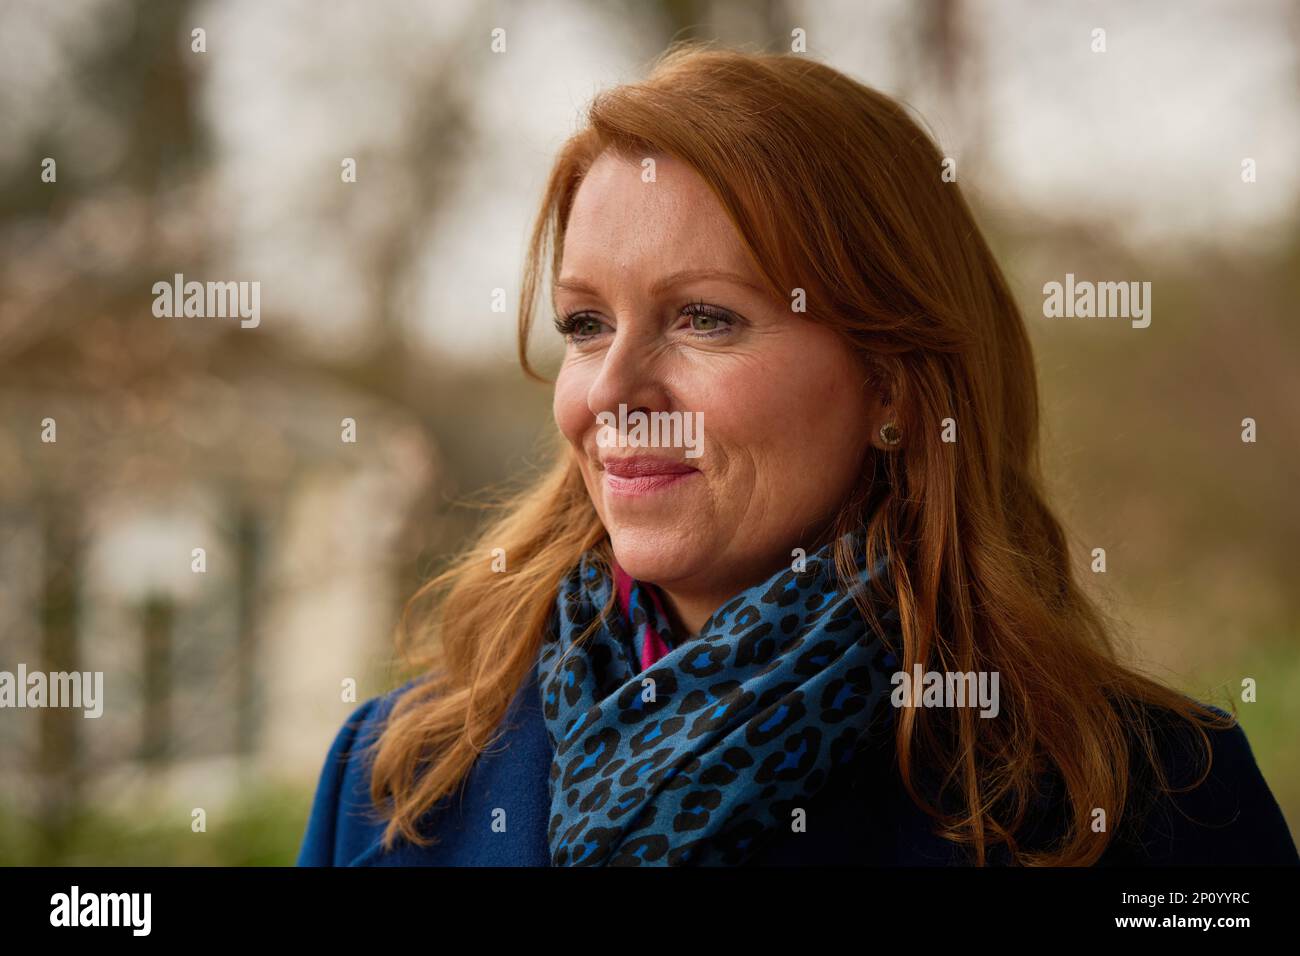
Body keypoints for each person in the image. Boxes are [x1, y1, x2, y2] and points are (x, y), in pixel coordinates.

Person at [298, 43, 1298, 867]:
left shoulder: (1151, 801)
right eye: (585, 321)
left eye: (703, 317)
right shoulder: (395, 779)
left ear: (894, 384)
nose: (611, 389)